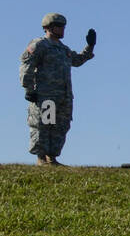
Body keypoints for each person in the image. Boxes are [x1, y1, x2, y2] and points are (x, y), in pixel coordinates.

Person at [19, 13, 95, 166]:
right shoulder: (40, 45)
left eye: (63, 27)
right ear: (49, 28)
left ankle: (51, 158)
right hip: (46, 94)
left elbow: (77, 60)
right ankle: (41, 158)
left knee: (60, 126)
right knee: (44, 125)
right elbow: (27, 65)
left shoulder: (63, 49)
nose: (62, 30)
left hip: (63, 96)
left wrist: (90, 46)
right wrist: (29, 88)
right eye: (59, 27)